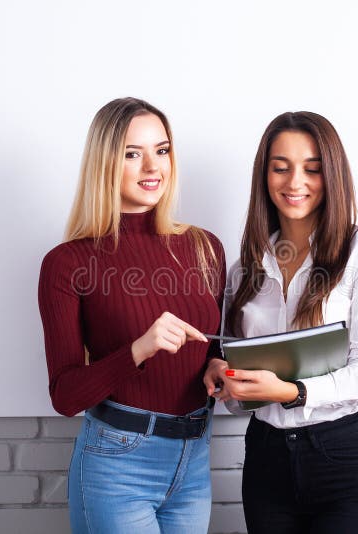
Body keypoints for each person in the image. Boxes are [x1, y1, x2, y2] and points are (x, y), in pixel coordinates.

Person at [38, 97, 225, 534]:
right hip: (117, 465)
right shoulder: (67, 263)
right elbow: (65, 396)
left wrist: (218, 365)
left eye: (161, 150)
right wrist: (140, 348)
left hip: (195, 459)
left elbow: (211, 350)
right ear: (105, 162)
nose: (152, 167)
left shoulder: (205, 247)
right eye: (132, 154)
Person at [204, 111, 358, 533]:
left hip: (345, 458)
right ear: (264, 175)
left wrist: (293, 391)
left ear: (332, 176)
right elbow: (239, 400)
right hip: (267, 462)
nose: (294, 183)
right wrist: (223, 373)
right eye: (281, 168)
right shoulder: (245, 269)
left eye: (312, 169)